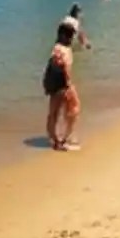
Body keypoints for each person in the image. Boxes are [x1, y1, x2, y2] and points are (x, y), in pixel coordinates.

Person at [42, 23, 81, 151]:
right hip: (62, 83)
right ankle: (62, 140)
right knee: (74, 108)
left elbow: (54, 64)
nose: (72, 39)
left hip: (54, 84)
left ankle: (55, 139)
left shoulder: (56, 48)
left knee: (54, 112)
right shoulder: (64, 50)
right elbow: (64, 65)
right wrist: (69, 84)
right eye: (71, 36)